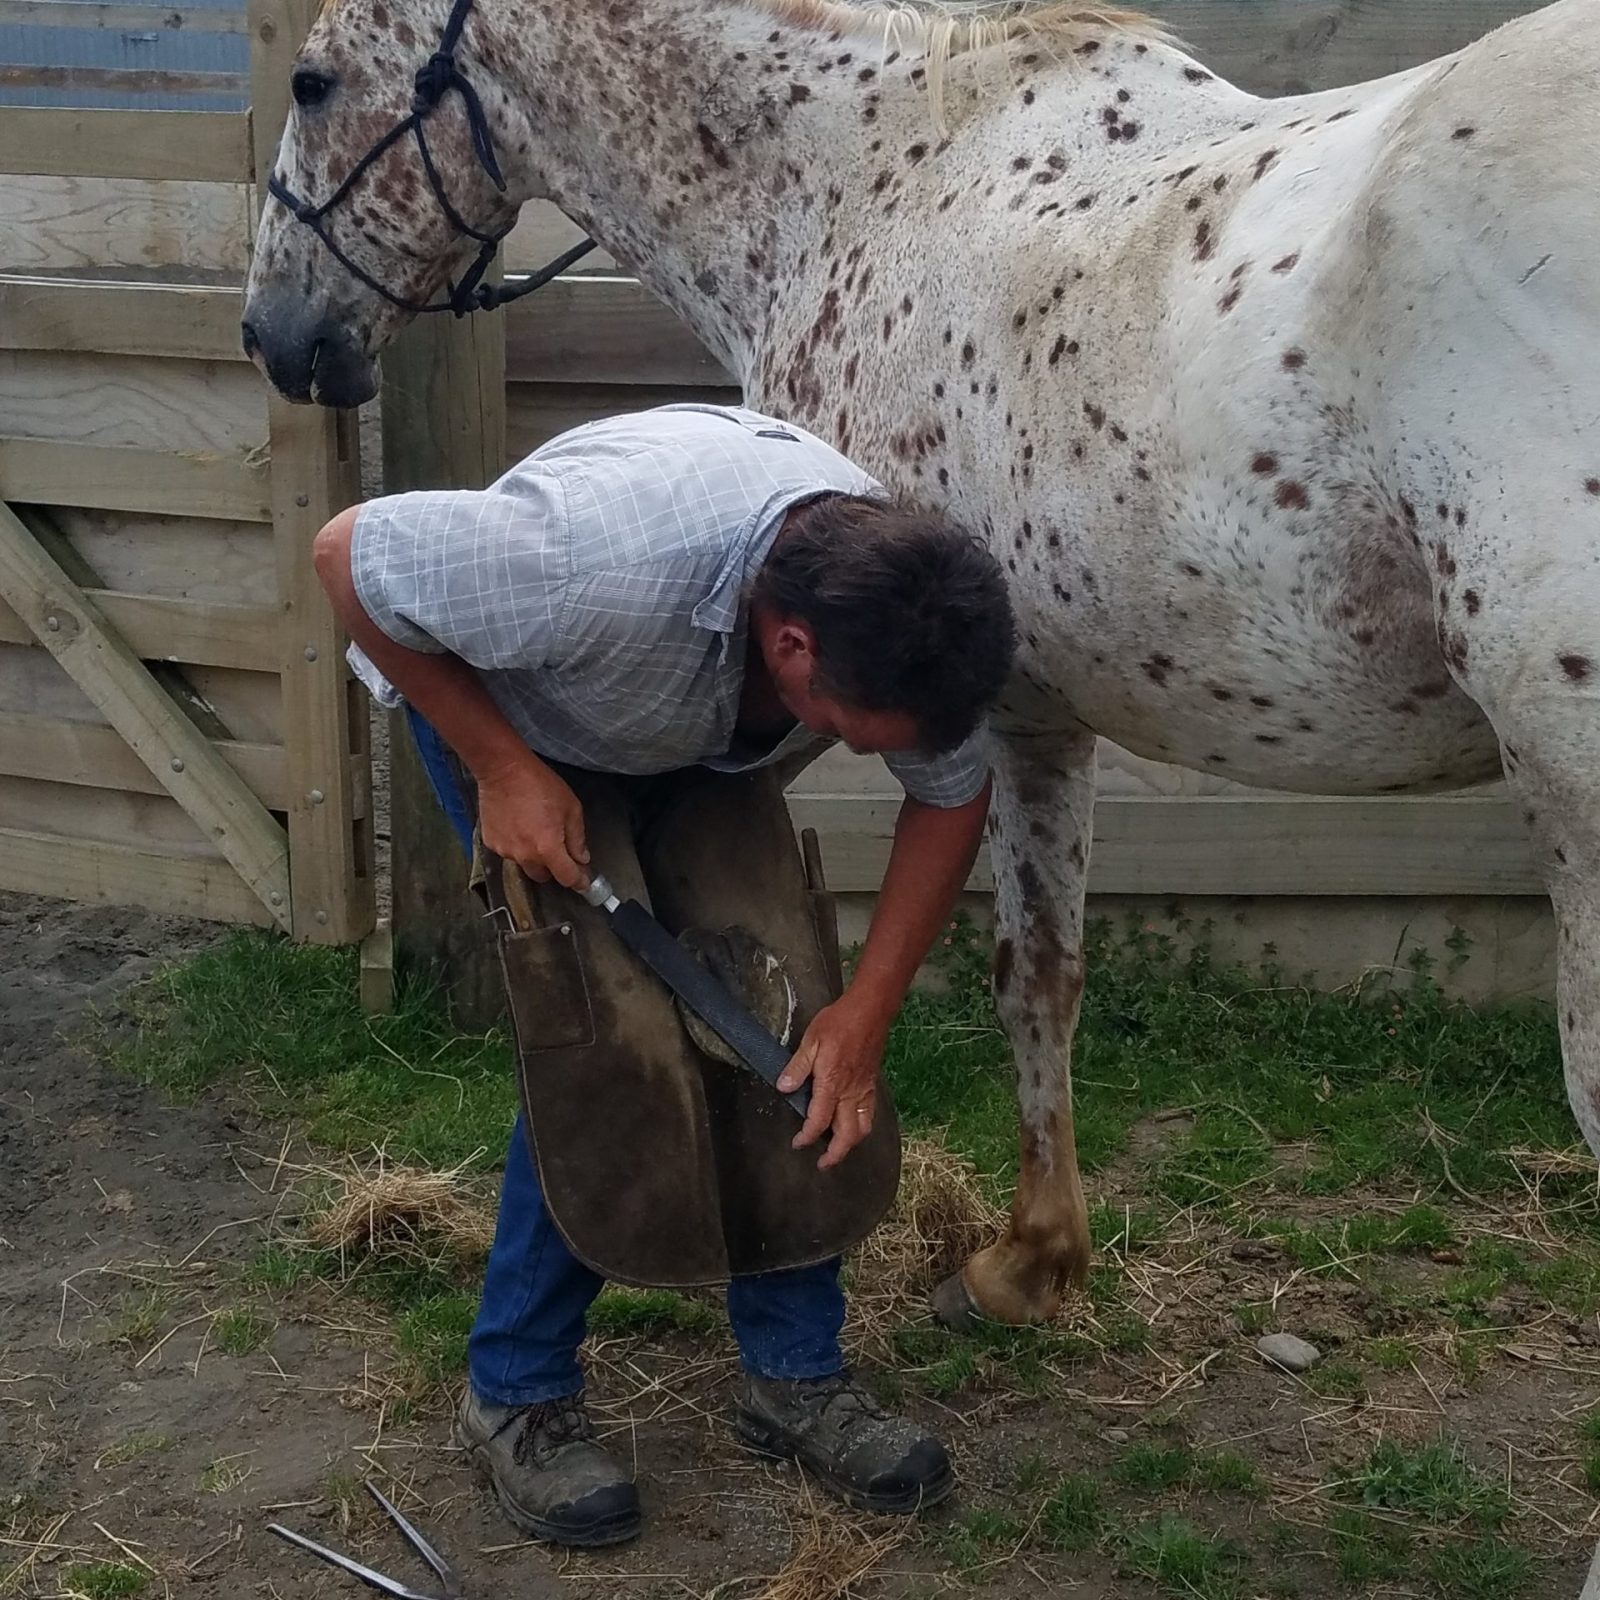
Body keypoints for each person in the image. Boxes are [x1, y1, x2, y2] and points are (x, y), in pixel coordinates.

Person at [313, 403, 1016, 1548]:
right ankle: (517, 1395)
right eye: (863, 731)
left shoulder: (911, 613)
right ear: (793, 647)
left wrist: (867, 1012)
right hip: (535, 722)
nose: (887, 751)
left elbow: (953, 791)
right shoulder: (582, 560)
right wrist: (501, 766)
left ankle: (793, 1377)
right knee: (611, 1045)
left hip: (697, 727)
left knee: (777, 1029)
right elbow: (346, 555)